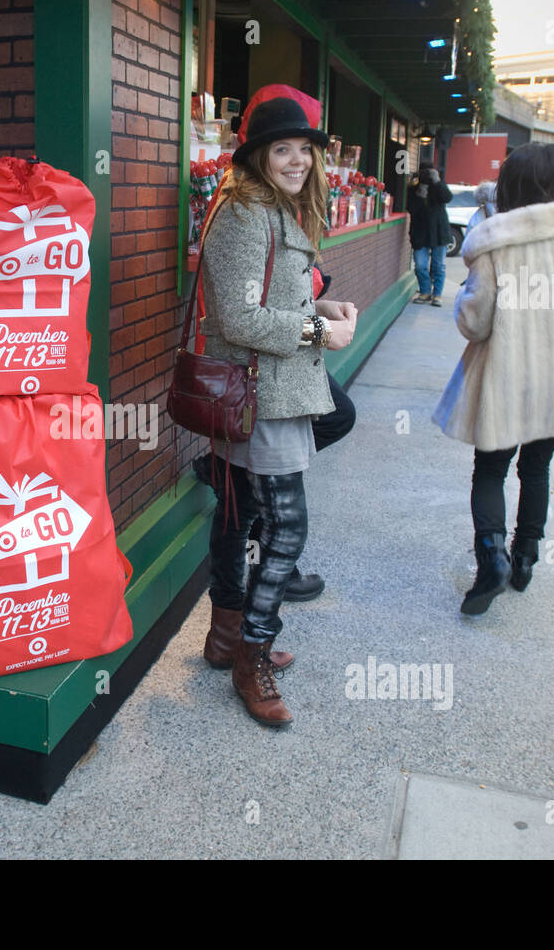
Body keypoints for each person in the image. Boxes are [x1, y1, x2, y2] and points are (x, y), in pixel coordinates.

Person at [197, 96, 357, 725]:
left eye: (304, 148)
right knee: (285, 528)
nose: (296, 160)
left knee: (244, 512)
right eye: (282, 148)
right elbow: (239, 319)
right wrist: (321, 335)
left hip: (273, 388)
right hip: (263, 396)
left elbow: (274, 302)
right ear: (259, 156)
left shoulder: (276, 211)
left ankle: (229, 639)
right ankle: (249, 658)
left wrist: (326, 313)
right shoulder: (244, 215)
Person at [432, 142, 554, 614]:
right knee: (537, 469)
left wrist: (467, 304)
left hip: (506, 379)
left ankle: (492, 558)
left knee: (490, 469)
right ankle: (525, 559)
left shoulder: (494, 241)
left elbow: (475, 323)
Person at [407, 165, 452, 306]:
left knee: (439, 265)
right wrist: (419, 195)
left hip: (439, 232)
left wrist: (437, 181)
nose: (427, 176)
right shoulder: (414, 189)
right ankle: (425, 292)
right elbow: (411, 209)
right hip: (420, 232)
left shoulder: (439, 187)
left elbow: (447, 197)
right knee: (420, 265)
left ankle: (437, 295)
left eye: (429, 173)